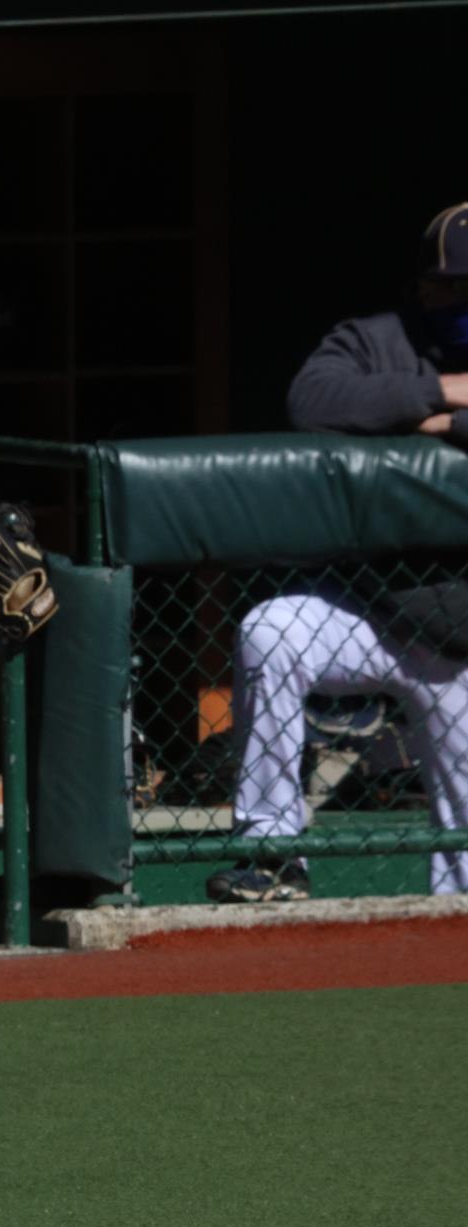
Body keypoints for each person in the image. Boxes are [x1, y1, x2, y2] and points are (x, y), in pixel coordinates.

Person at [210, 203, 468, 902]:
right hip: (373, 608)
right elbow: (313, 400)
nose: (460, 301)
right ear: (423, 286)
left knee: (465, 876)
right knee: (271, 632)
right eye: (450, 286)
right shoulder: (377, 339)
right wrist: (440, 394)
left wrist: (429, 424)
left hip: (463, 641)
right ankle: (271, 854)